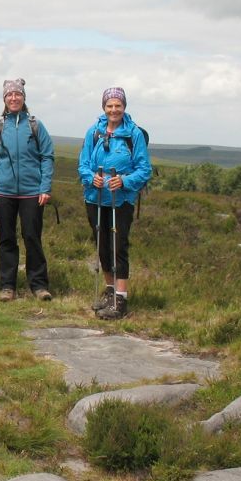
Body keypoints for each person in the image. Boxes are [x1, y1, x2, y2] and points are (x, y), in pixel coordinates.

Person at [79, 87, 151, 320]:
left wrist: (124, 181)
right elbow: (83, 166)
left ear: (124, 107)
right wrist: (93, 178)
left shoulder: (134, 135)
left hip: (121, 200)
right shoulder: (94, 133)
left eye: (118, 105)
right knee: (102, 245)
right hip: (96, 197)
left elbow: (144, 169)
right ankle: (109, 292)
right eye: (109, 105)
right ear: (104, 107)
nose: (113, 110)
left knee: (119, 246)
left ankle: (121, 299)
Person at [0, 78, 55, 302]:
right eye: (9, 95)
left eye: (18, 94)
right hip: (3, 192)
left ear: (24, 98)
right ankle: (7, 286)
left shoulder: (35, 125)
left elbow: (47, 157)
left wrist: (45, 187)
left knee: (32, 237)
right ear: (4, 99)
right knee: (6, 239)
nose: (14, 98)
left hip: (32, 192)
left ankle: (39, 286)